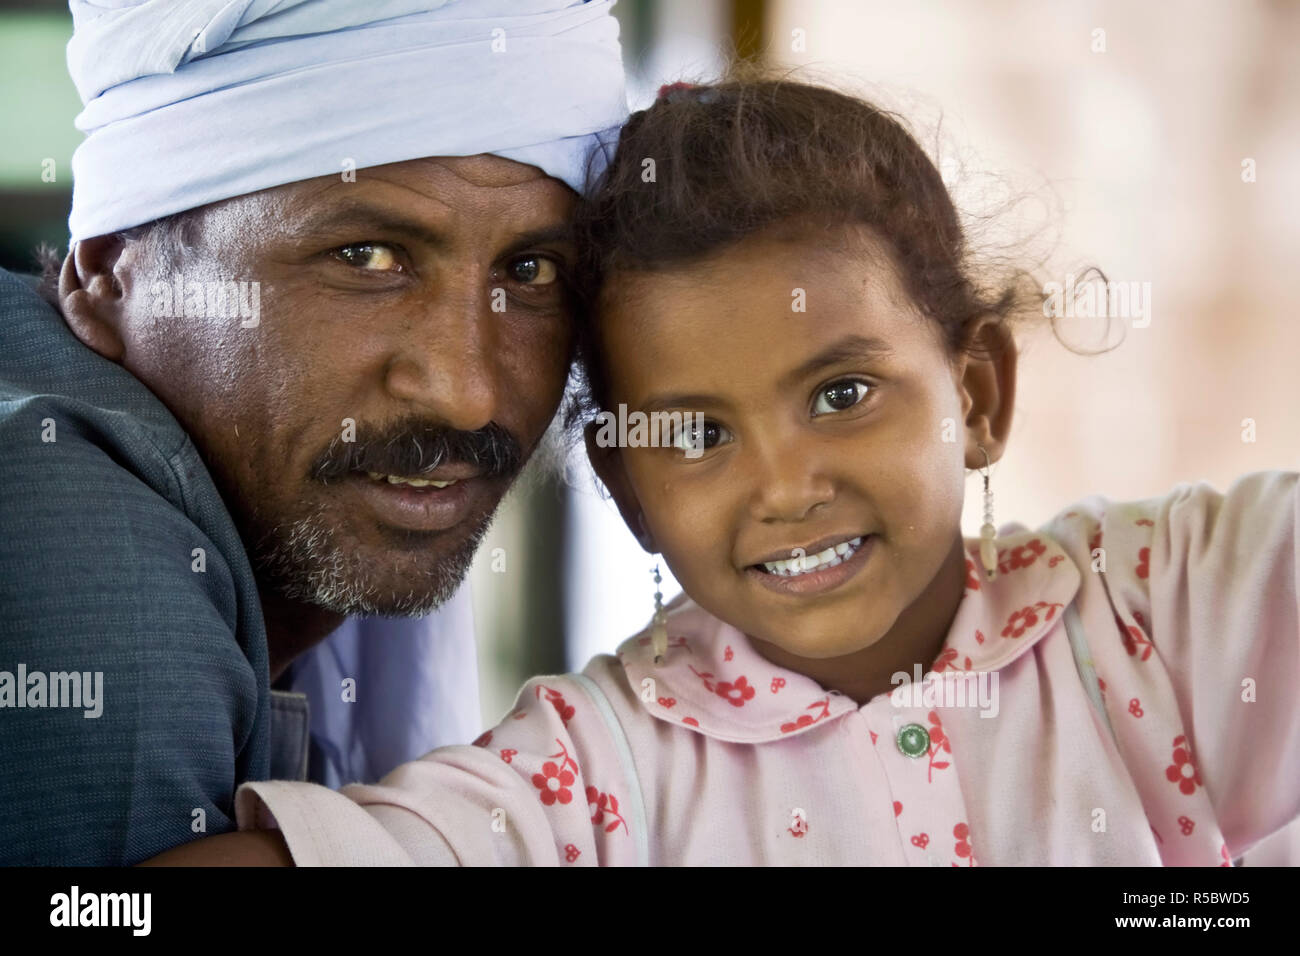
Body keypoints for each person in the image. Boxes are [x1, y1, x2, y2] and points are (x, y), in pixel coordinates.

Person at [152, 75, 1298, 866]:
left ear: (979, 392)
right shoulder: (596, 770)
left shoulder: (1161, 606)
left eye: (842, 395)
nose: (786, 486)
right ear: (628, 489)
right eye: (696, 435)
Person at [0, 0, 626, 865]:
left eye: (531, 271)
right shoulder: (97, 576)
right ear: (112, 270)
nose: (467, 393)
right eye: (366, 257)